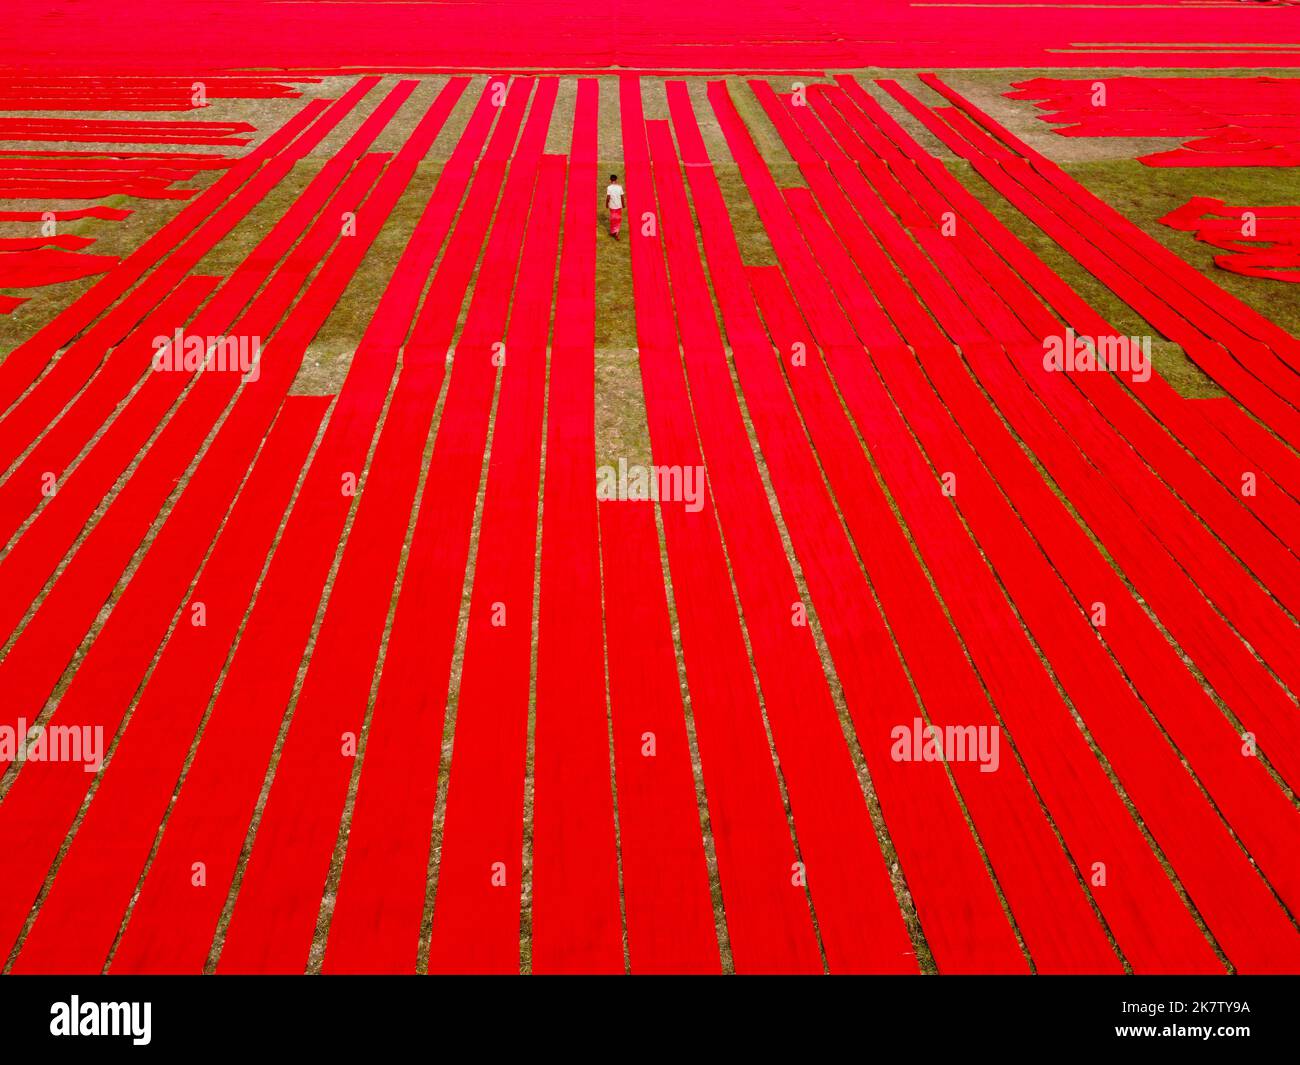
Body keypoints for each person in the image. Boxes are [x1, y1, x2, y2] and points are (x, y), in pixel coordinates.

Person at [606, 173, 625, 239]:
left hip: (612, 206)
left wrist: (606, 203)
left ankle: (613, 232)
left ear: (610, 180)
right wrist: (623, 204)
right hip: (618, 206)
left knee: (613, 219)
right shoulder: (619, 187)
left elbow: (608, 197)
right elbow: (622, 197)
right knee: (618, 219)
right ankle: (616, 232)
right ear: (616, 180)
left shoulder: (609, 187)